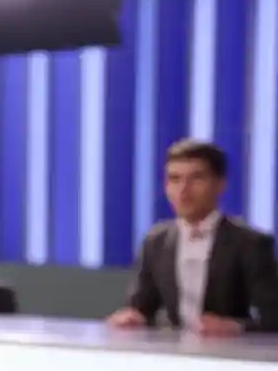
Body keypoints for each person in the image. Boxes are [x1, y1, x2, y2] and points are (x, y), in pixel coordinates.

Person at [107, 139, 278, 336]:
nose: (183, 189)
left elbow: (272, 317)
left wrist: (235, 327)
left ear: (220, 184)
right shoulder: (156, 241)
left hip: (233, 358)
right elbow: (140, 306)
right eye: (174, 179)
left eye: (196, 178)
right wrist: (131, 316)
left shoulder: (250, 243)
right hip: (174, 357)